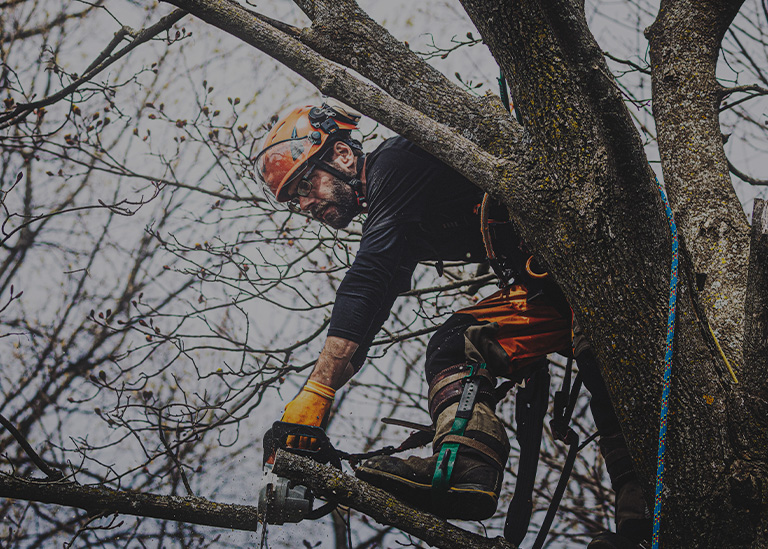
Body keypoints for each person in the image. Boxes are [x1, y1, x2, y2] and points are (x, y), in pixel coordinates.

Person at [255, 101, 650, 548]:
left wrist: (318, 390)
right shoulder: (404, 217)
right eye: (294, 200)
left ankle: (647, 520)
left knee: (604, 357)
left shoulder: (400, 161)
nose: (305, 203)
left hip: (604, 261)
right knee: (456, 345)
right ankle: (465, 467)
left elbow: (367, 273)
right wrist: (306, 414)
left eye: (306, 183)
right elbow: (368, 313)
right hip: (556, 286)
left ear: (343, 156)